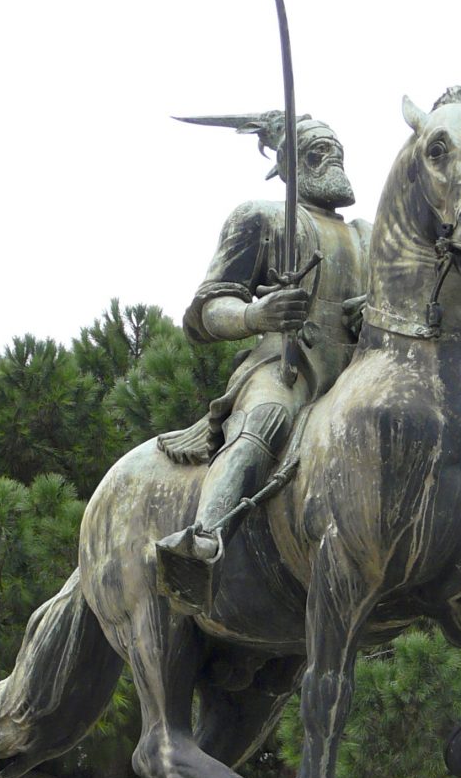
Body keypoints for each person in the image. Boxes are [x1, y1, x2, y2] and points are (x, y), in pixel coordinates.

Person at [155, 112, 371, 616]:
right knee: (265, 420)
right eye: (316, 151)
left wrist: (371, 313)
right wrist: (258, 312)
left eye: (335, 149)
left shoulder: (369, 235)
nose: (331, 157)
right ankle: (203, 540)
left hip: (358, 374)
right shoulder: (260, 217)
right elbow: (205, 312)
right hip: (287, 365)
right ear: (288, 164)